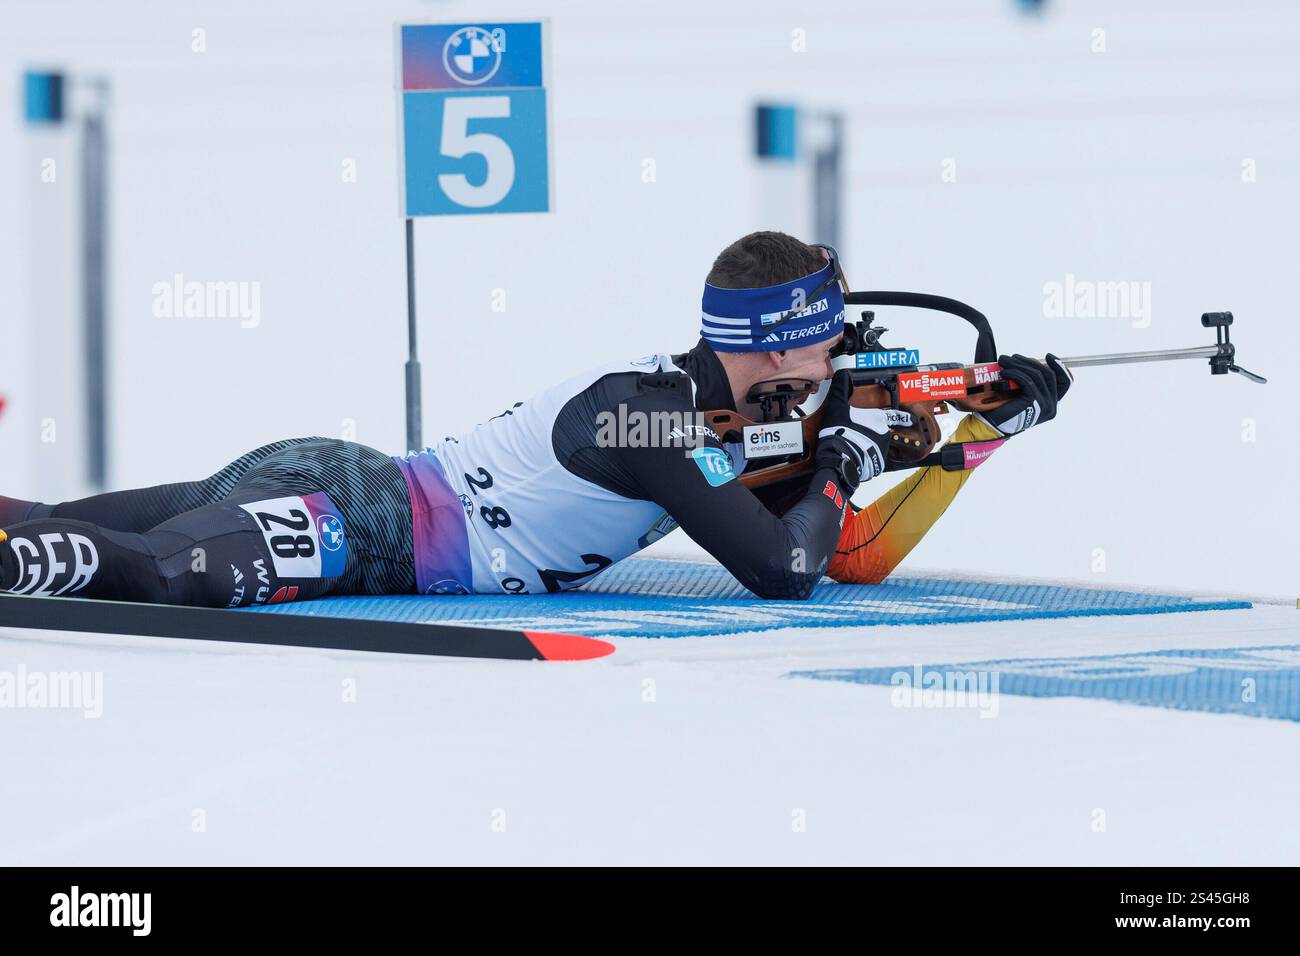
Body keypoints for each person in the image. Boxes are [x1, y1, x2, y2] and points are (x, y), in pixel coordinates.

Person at [0, 231, 1070, 606]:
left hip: (346, 485)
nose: (838, 364)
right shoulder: (653, 422)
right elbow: (785, 571)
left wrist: (972, 438)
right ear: (782, 344)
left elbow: (853, 552)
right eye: (832, 345)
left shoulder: (713, 419)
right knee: (157, 575)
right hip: (364, 520)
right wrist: (849, 446)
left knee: (76, 523)